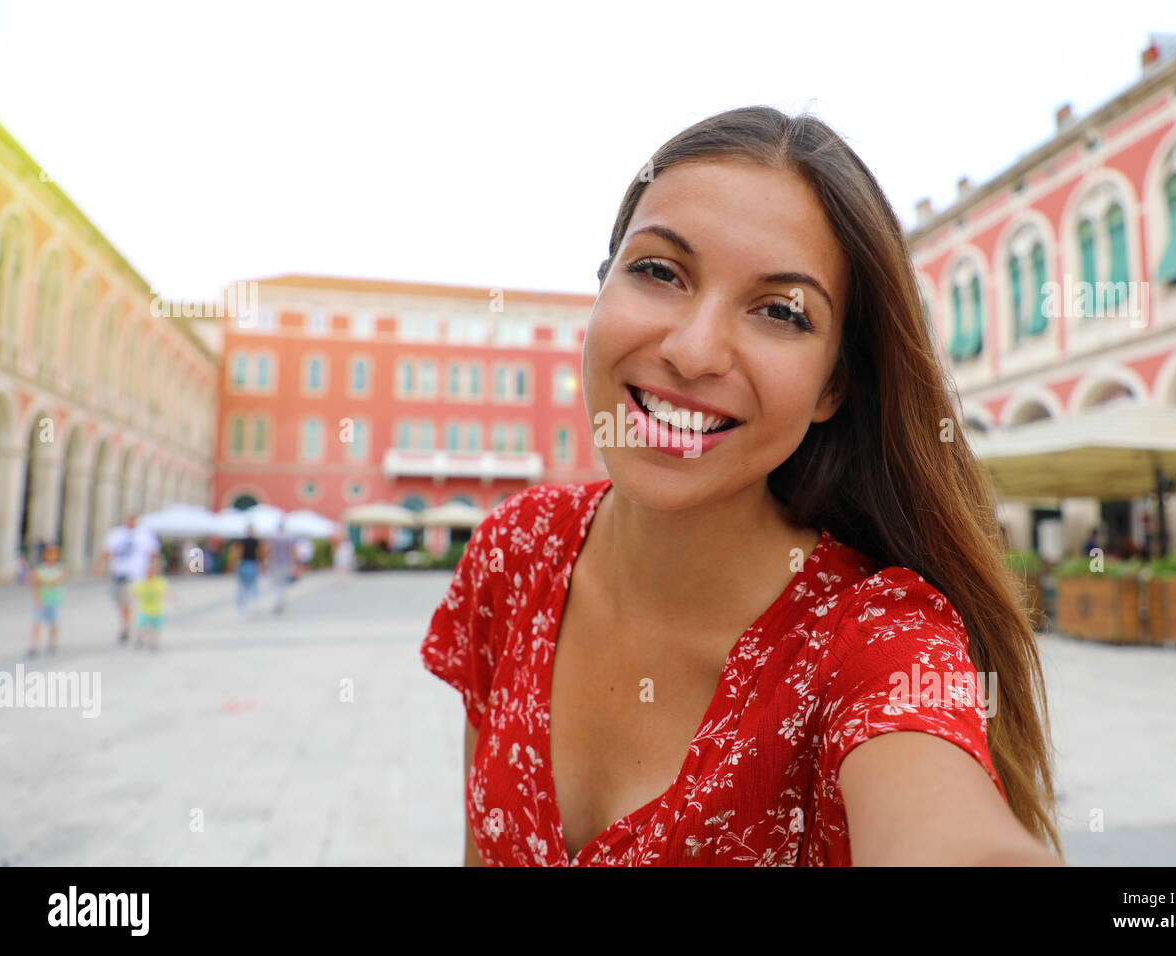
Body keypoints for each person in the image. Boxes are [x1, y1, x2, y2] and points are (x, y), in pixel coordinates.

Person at [421, 107, 1062, 868]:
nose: (694, 353)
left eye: (780, 312)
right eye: (659, 272)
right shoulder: (515, 549)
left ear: (833, 388)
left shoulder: (872, 639)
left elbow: (950, 836)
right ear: (600, 289)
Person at [97, 513, 160, 645]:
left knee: (134, 604)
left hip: (136, 575)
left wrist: (153, 571)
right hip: (118, 573)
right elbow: (107, 551)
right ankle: (126, 627)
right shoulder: (117, 533)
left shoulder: (144, 534)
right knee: (122, 604)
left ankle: (138, 631)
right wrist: (101, 566)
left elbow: (153, 554)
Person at [28, 543, 66, 657]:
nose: (51, 556)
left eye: (54, 553)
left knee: (53, 623)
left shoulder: (59, 568)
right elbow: (34, 582)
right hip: (42, 600)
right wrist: (37, 600)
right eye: (49, 553)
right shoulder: (40, 568)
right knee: (37, 623)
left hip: (54, 600)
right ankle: (33, 646)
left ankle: (52, 644)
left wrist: (42, 581)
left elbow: (57, 581)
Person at [131, 552, 175, 651]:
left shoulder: (159, 582)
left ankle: (154, 643)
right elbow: (134, 591)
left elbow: (166, 592)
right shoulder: (142, 583)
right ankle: (140, 640)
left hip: (157, 610)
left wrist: (173, 599)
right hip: (145, 609)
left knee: (156, 628)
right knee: (143, 627)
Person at [235, 525, 264, 617]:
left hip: (245, 563)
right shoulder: (255, 541)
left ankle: (243, 606)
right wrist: (261, 563)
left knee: (243, 586)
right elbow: (259, 553)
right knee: (251, 585)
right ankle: (251, 603)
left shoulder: (244, 541)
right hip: (251, 564)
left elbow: (239, 552)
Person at [267, 520, 295, 614]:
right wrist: (293, 565)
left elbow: (270, 551)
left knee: (276, 584)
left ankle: (278, 600)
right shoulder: (288, 538)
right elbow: (292, 552)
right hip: (286, 563)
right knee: (283, 584)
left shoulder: (274, 538)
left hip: (275, 563)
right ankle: (282, 600)